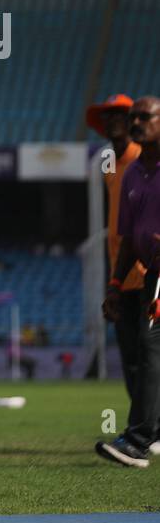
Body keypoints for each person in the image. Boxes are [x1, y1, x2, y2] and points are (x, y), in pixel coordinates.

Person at [98, 96, 160, 467]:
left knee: (149, 343)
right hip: (150, 271)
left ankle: (138, 439)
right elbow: (126, 238)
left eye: (144, 116)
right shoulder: (134, 174)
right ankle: (142, 434)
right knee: (147, 347)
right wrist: (115, 285)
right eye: (132, 116)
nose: (136, 122)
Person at [88, 95, 147, 387]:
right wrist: (114, 281)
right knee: (131, 359)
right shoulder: (109, 166)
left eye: (120, 115)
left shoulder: (143, 158)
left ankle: (148, 428)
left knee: (148, 357)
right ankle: (140, 429)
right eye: (107, 116)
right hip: (120, 276)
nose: (113, 121)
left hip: (147, 273)